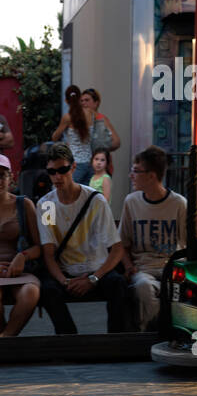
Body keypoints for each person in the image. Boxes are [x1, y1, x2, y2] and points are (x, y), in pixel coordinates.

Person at [37, 142, 127, 333]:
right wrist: (65, 281)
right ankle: (69, 340)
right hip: (66, 272)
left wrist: (94, 278)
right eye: (52, 172)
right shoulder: (47, 205)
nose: (57, 177)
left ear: (74, 167)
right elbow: (48, 253)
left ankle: (116, 341)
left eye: (63, 170)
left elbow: (117, 249)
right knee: (48, 290)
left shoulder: (95, 201)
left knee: (117, 284)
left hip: (96, 269)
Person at [118, 146, 188, 331]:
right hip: (143, 268)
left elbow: (187, 242)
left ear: (151, 175)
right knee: (143, 288)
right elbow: (122, 243)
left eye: (135, 171)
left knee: (178, 289)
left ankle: (170, 333)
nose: (131, 175)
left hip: (172, 267)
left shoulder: (178, 203)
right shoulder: (131, 202)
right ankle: (151, 334)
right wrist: (128, 267)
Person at [0, 154, 41, 337]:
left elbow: (40, 246)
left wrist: (22, 256)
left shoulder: (24, 204)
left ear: (11, 177)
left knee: (30, 293)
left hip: (19, 271)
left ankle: (6, 338)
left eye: (2, 175)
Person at [51, 85, 95, 184]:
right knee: (87, 195)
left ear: (66, 101)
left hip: (75, 164)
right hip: (89, 162)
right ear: (80, 98)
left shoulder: (67, 118)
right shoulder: (90, 113)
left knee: (71, 195)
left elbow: (55, 137)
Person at [80, 88, 121, 174]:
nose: (83, 103)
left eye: (87, 100)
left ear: (96, 103)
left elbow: (116, 142)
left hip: (100, 167)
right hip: (83, 166)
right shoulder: (77, 121)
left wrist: (100, 148)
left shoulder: (101, 119)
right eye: (81, 101)